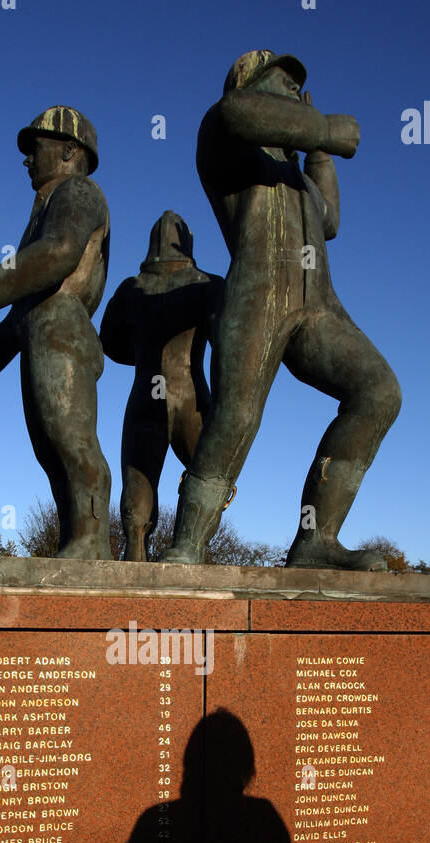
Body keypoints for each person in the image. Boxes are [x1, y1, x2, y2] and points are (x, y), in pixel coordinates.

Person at [161, 51, 402, 570]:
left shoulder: (294, 174)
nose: (296, 88)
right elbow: (240, 114)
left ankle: (317, 539)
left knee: (379, 392)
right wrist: (323, 127)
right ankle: (188, 542)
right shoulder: (226, 132)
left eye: (299, 85)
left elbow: (330, 221)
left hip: (319, 305)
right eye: (284, 80)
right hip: (257, 295)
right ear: (247, 83)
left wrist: (319, 152)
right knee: (237, 416)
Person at [0, 106, 113, 559]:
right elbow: (28, 303)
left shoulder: (78, 191)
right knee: (51, 454)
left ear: (69, 150)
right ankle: (76, 541)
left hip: (64, 329)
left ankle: (92, 542)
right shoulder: (47, 203)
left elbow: (60, 252)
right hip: (43, 330)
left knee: (71, 442)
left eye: (36, 148)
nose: (27, 159)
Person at [100, 212, 222, 560]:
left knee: (138, 477)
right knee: (209, 475)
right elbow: (228, 343)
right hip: (192, 398)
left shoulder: (130, 289)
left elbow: (108, 342)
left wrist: (142, 353)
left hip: (145, 395)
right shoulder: (208, 285)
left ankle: (135, 552)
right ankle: (188, 549)